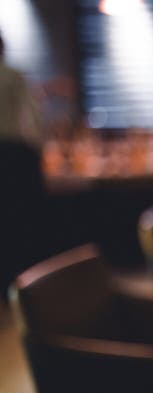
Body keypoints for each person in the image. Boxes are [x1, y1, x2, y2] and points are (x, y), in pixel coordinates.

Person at [0, 31, 45, 297]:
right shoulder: (13, 76)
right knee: (20, 223)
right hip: (15, 156)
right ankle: (22, 286)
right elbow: (33, 120)